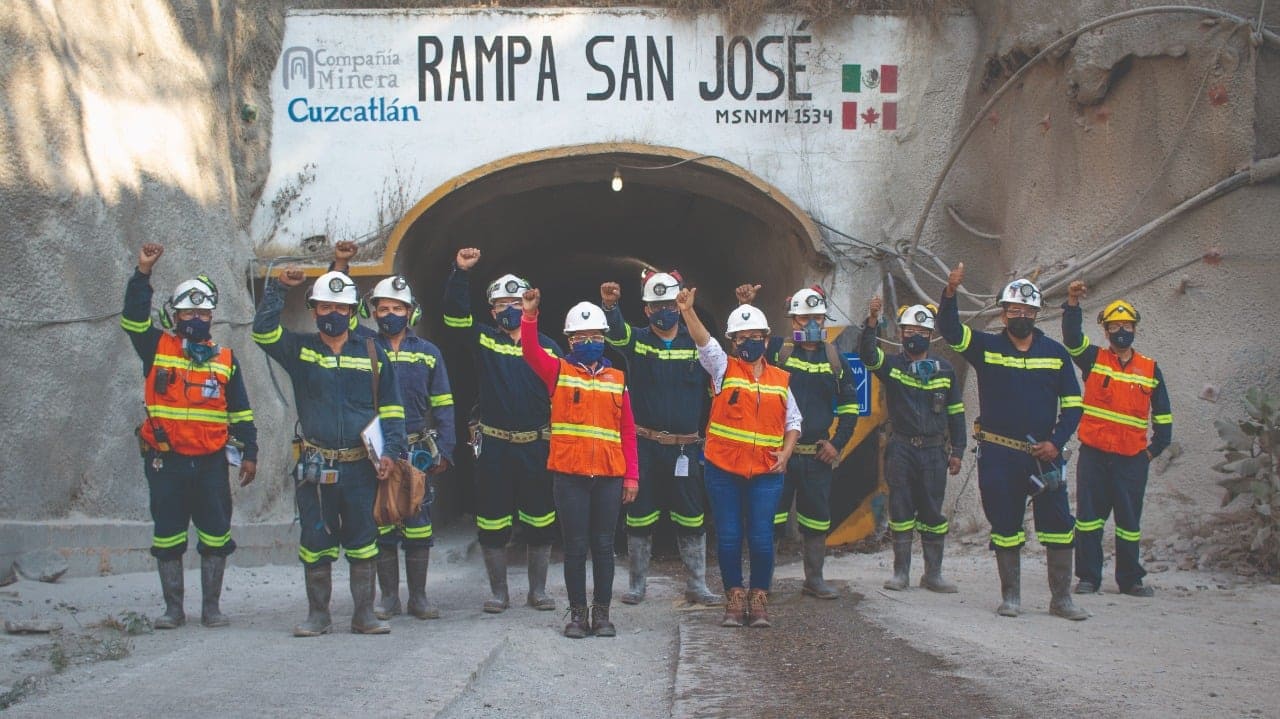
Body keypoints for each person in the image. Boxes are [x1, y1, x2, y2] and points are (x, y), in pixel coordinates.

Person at [253, 266, 407, 636]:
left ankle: (364, 615)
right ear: (313, 310)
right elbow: (263, 332)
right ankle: (318, 615)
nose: (333, 314)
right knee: (315, 540)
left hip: (361, 469)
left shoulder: (373, 351)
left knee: (363, 541)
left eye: (340, 308)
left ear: (353, 312)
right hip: (315, 467)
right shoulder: (301, 350)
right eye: (324, 307)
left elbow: (392, 408)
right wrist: (276, 289)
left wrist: (392, 453)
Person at [937, 263, 1088, 620]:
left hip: (1045, 455)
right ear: (1003, 314)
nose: (1021, 316)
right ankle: (1012, 597)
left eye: (1028, 311)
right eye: (1014, 310)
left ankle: (1062, 600)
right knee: (1005, 524)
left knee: (1059, 525)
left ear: (1037, 315)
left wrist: (1057, 441)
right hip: (999, 455)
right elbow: (951, 332)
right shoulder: (986, 346)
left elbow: (1073, 404)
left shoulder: (1055, 354)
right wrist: (949, 294)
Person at [122, 243, 258, 629]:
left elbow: (242, 411)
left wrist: (250, 452)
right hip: (166, 461)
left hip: (212, 462)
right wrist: (143, 272)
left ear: (212, 315)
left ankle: (211, 609)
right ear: (176, 315)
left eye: (203, 312)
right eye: (189, 312)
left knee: (216, 534)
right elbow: (133, 319)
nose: (196, 317)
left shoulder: (226, 359)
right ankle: (173, 610)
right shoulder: (157, 347)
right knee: (167, 535)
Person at [330, 243, 456, 619]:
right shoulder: (365, 347)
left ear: (410, 312)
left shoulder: (429, 352)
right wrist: (341, 266)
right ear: (372, 312)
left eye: (397, 308)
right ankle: (389, 598)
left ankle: (418, 597)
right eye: (382, 309)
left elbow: (445, 404)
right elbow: (339, 308)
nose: (389, 314)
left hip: (417, 448)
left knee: (418, 523)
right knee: (382, 521)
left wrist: (446, 449)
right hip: (378, 451)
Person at [442, 248, 561, 613]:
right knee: (492, 521)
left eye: (517, 301)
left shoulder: (549, 347)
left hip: (536, 446)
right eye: (501, 304)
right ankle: (499, 593)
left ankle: (537, 592)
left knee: (540, 520)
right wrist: (460, 273)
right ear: (492, 311)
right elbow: (454, 317)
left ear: (529, 304)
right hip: (494, 447)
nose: (509, 308)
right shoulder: (485, 340)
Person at [677, 287, 802, 628]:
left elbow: (794, 421)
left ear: (766, 339)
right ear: (733, 342)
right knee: (730, 536)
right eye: (742, 337)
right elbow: (704, 342)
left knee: (762, 537)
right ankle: (734, 595)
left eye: (756, 336)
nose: (749, 342)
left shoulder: (780, 380)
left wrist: (787, 451)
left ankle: (759, 596)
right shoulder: (722, 368)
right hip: (723, 471)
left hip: (766, 472)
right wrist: (688, 311)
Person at [519, 289, 639, 637]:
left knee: (603, 547)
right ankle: (576, 615)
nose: (589, 341)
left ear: (604, 338)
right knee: (574, 547)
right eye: (581, 337)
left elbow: (627, 432)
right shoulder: (558, 372)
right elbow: (529, 351)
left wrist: (631, 476)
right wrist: (529, 315)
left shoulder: (617, 378)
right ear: (569, 341)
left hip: (608, 475)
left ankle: (601, 615)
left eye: (595, 336)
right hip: (569, 476)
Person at [600, 272, 720, 606]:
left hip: (685, 447)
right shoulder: (637, 340)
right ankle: (637, 585)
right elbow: (618, 334)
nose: (662, 311)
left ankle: (697, 584)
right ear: (646, 309)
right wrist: (610, 307)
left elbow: (712, 352)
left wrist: (689, 312)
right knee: (639, 516)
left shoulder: (693, 342)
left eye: (668, 304)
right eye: (656, 306)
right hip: (645, 446)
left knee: (692, 517)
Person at [737, 283, 858, 600]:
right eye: (804, 318)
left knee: (816, 520)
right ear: (793, 321)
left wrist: (838, 444)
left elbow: (849, 408)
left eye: (818, 317)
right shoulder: (779, 352)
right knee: (769, 519)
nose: (812, 324)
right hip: (777, 456)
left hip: (817, 457)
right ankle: (763, 584)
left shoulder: (835, 359)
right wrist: (746, 307)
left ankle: (814, 580)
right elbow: (745, 347)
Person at [1063, 281, 1172, 597]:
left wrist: (1153, 450)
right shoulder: (1094, 359)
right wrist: (1072, 302)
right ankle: (1088, 578)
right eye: (1115, 326)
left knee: (1128, 523)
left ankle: (1129, 580)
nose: (1121, 330)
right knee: (1087, 521)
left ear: (1135, 329)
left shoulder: (1150, 369)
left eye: (1127, 325)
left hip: (1132, 460)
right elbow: (1071, 339)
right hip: (1095, 456)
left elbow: (1162, 414)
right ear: (1106, 331)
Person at [860, 298, 965, 592]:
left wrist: (957, 451)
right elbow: (868, 356)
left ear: (930, 335)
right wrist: (871, 321)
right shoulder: (892, 366)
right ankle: (901, 573)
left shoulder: (944, 371)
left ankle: (933, 574)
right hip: (901, 448)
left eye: (921, 330)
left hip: (934, 451)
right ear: (901, 334)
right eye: (908, 330)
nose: (914, 335)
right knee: (901, 508)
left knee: (932, 512)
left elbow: (956, 413)